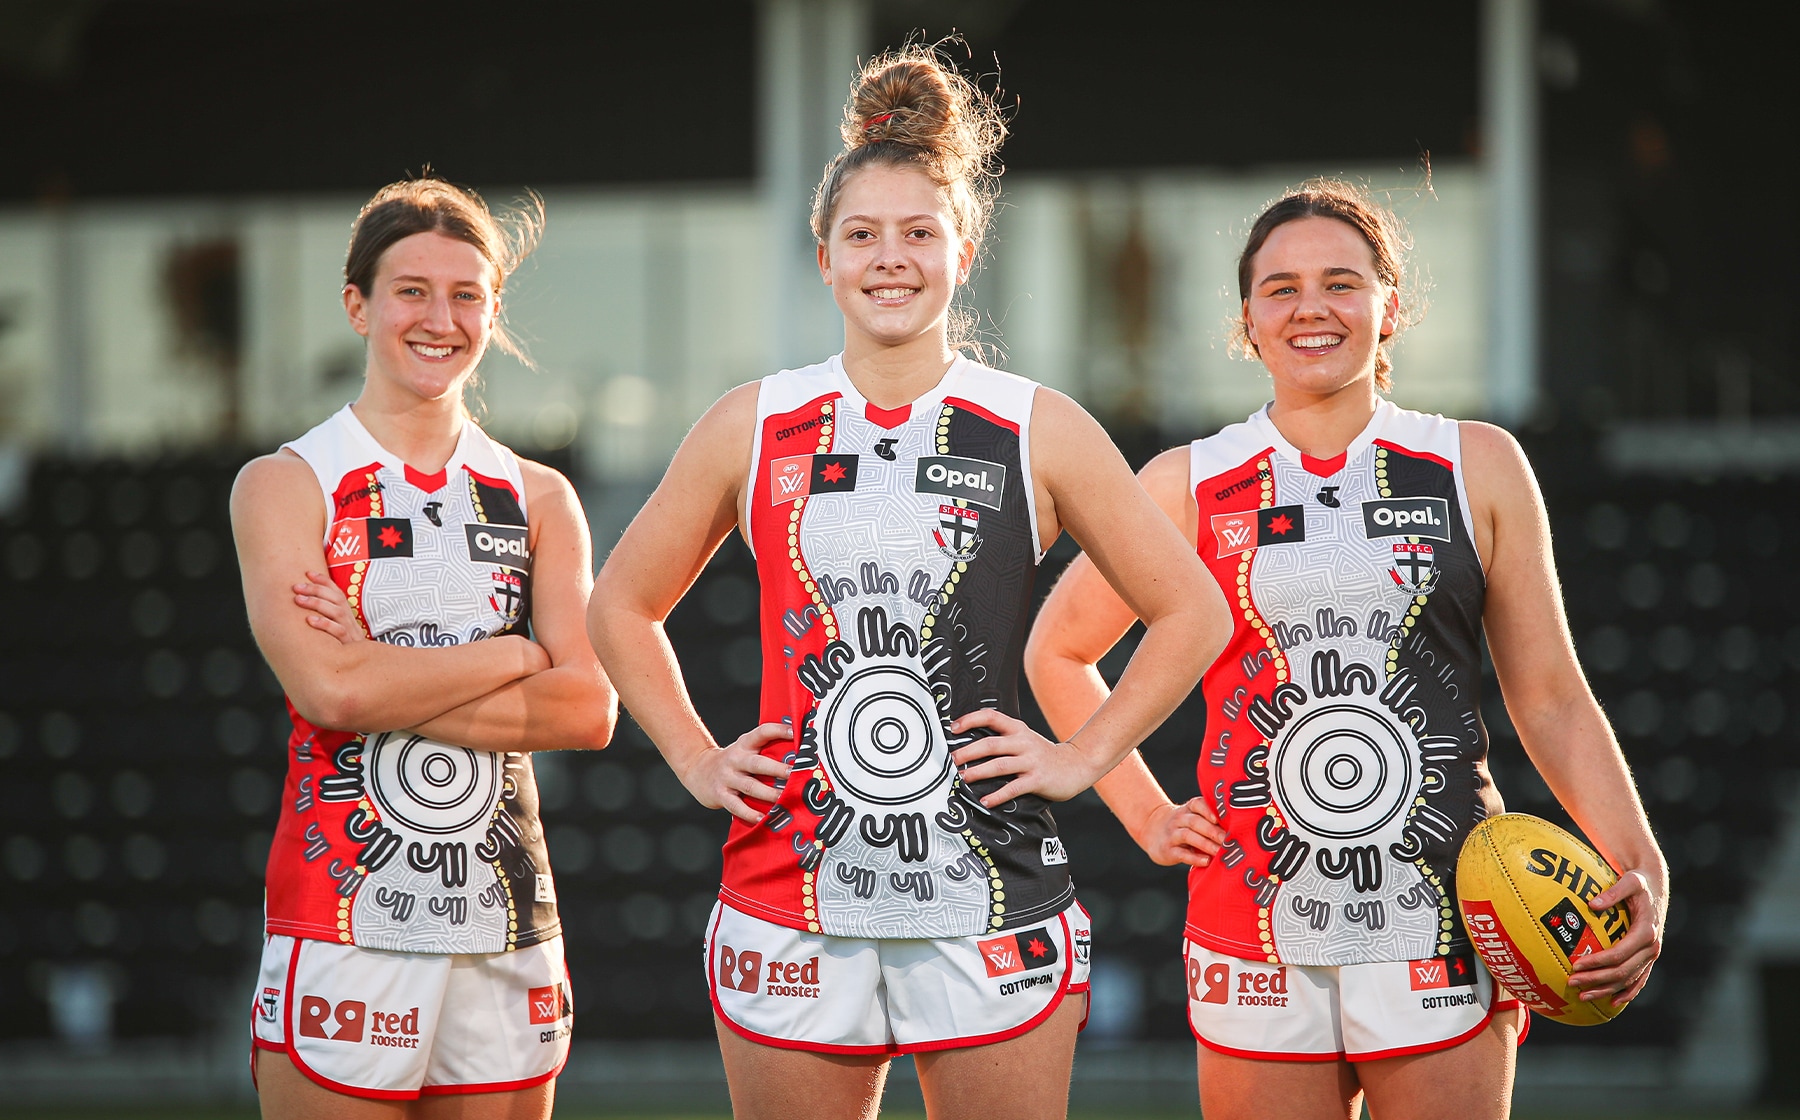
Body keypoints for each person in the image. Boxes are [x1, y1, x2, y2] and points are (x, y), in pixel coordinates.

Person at [587, 45, 1228, 1120]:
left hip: (995, 898)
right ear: (825, 256)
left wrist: (1084, 756)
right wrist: (697, 757)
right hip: (786, 893)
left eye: (920, 232)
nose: (893, 258)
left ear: (964, 250)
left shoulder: (1038, 425)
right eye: (863, 235)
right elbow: (618, 604)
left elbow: (1193, 609)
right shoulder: (753, 422)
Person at [1025, 179, 1668, 1120]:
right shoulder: (1185, 483)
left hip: (1445, 910)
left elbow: (1551, 699)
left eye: (1341, 281)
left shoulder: (1477, 464)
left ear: (1390, 303)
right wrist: (1145, 813)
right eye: (1280, 289)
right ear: (1247, 320)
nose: (1310, 307)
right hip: (1251, 920)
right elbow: (1059, 651)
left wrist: (1640, 864)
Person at [230, 177, 617, 1119]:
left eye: (466, 294)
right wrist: (514, 655)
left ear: (491, 311)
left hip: (510, 923)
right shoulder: (285, 484)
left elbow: (590, 709)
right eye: (411, 290)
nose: (439, 317)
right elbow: (332, 695)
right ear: (358, 304)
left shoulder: (540, 496)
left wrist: (380, 671)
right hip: (344, 920)